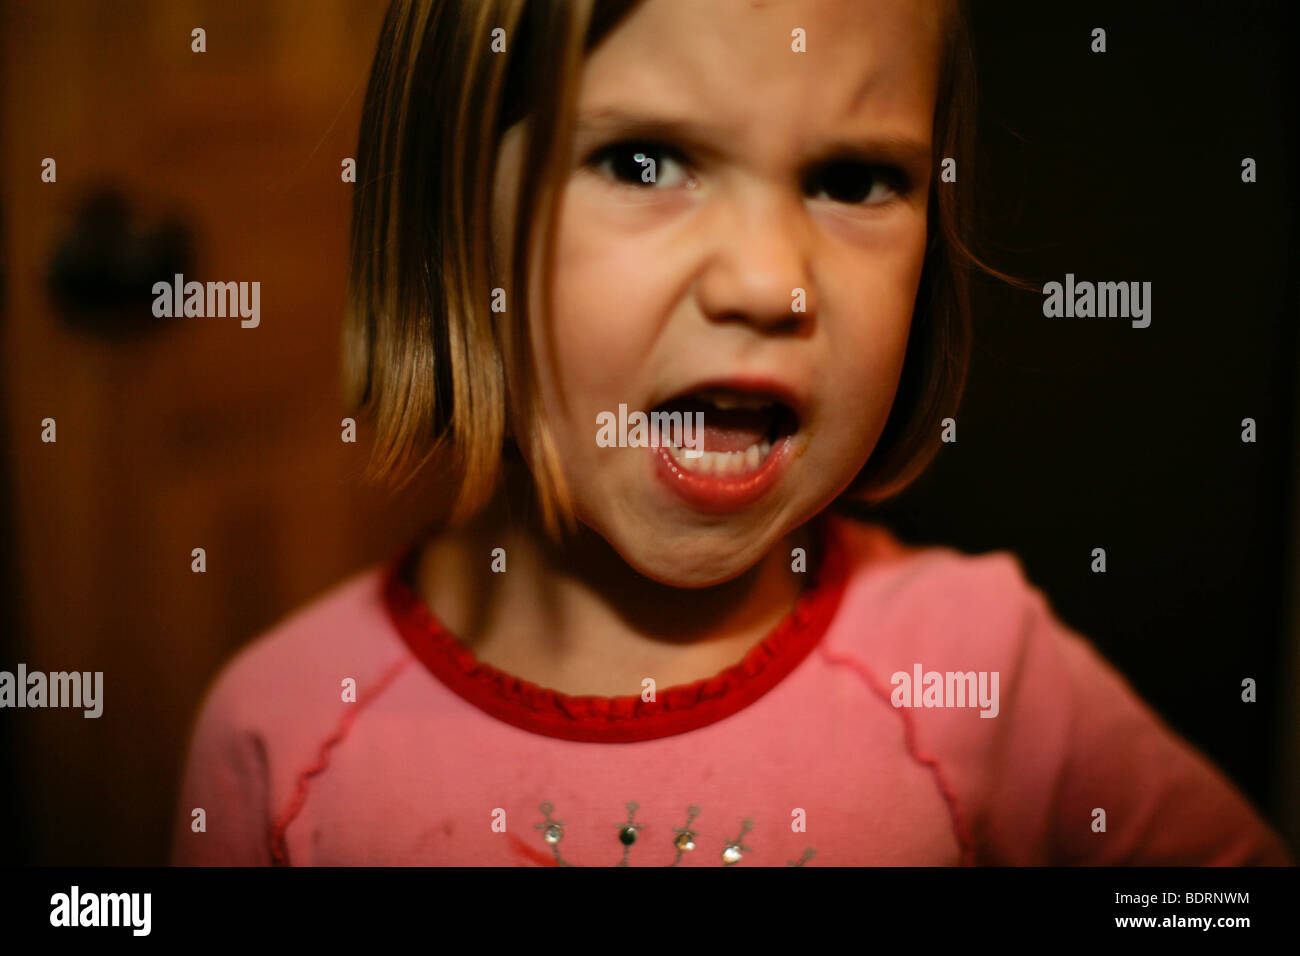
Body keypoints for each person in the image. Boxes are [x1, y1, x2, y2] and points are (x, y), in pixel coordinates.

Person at [171, 0, 1292, 866]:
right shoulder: (282, 738)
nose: (768, 282)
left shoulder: (982, 668)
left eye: (851, 178)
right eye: (645, 160)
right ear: (448, 213)